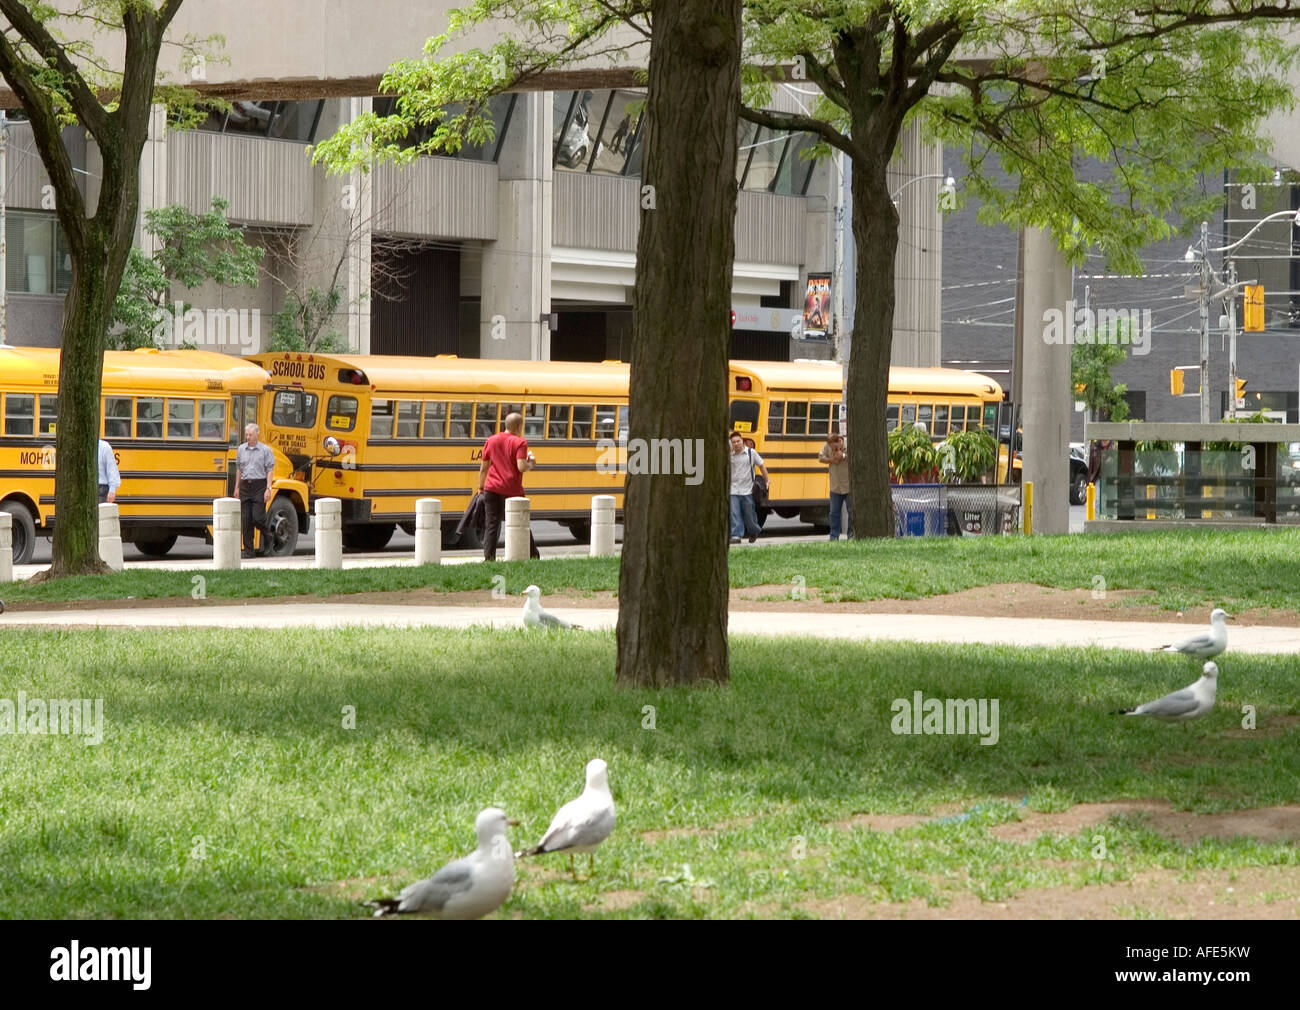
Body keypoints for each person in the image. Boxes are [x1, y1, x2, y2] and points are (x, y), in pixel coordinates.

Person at [477, 411, 541, 561]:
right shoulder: (520, 442)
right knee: (521, 522)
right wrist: (531, 462)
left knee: (492, 524)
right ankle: (533, 555)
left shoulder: (491, 440)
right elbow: (521, 467)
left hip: (491, 488)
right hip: (512, 489)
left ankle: (489, 558)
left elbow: (483, 467)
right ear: (519, 427)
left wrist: (480, 487)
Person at [235, 423, 275, 558]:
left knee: (257, 518)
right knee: (246, 520)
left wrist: (268, 488)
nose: (248, 437)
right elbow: (239, 469)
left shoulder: (265, 450)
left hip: (259, 486)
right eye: (246, 434)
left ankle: (268, 536)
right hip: (245, 485)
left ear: (257, 435)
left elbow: (269, 470)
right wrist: (237, 488)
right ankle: (248, 551)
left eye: (250, 435)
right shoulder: (241, 449)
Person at [729, 430, 769, 545]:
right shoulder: (730, 455)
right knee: (734, 513)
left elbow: (761, 466)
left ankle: (753, 531)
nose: (736, 444)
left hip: (747, 490)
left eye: (738, 441)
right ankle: (736, 535)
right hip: (733, 489)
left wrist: (767, 480)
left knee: (749, 514)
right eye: (733, 442)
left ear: (742, 441)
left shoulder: (751, 453)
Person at [819, 430, 852, 540]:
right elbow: (820, 457)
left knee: (851, 512)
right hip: (835, 486)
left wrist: (843, 456)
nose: (833, 449)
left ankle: (851, 535)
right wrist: (832, 460)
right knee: (833, 513)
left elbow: (855, 457)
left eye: (834, 447)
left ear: (839, 441)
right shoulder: (827, 446)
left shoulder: (849, 444)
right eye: (831, 448)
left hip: (848, 486)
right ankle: (834, 536)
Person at [96, 439, 121, 505]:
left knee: (100, 514)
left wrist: (112, 490)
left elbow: (111, 469)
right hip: (86, 488)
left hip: (101, 490)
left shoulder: (104, 447)